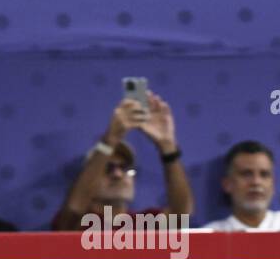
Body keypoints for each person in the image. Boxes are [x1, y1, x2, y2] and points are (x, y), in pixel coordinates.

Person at [52, 92, 193, 231]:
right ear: (88, 180)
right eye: (108, 168)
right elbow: (74, 212)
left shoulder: (145, 223)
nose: (118, 175)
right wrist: (110, 139)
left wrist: (167, 146)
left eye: (125, 168)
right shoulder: (80, 223)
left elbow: (181, 216)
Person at [204, 141, 280, 232]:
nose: (256, 182)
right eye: (246, 174)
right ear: (227, 184)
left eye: (264, 174)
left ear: (273, 184)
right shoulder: (210, 234)